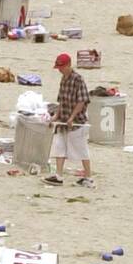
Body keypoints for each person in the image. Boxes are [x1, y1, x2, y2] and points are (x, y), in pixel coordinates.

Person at [46, 53, 93, 187]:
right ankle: (58, 176)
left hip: (77, 122)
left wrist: (72, 117)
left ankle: (88, 178)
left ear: (68, 65)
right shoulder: (63, 79)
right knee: (59, 147)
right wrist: (55, 116)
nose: (59, 70)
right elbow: (61, 100)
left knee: (81, 149)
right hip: (63, 119)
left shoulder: (78, 79)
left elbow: (82, 100)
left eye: (61, 67)